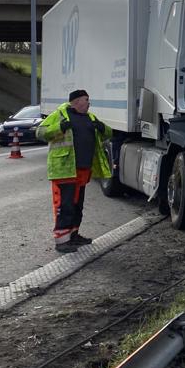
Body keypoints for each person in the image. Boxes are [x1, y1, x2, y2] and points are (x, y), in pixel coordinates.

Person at [36, 89, 112, 253]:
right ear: (76, 102)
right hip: (64, 169)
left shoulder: (90, 117)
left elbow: (109, 133)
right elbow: (40, 132)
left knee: (77, 205)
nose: (89, 103)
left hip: (83, 169)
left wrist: (101, 127)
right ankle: (62, 241)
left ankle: (73, 235)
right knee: (66, 205)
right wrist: (60, 128)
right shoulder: (61, 114)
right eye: (86, 100)